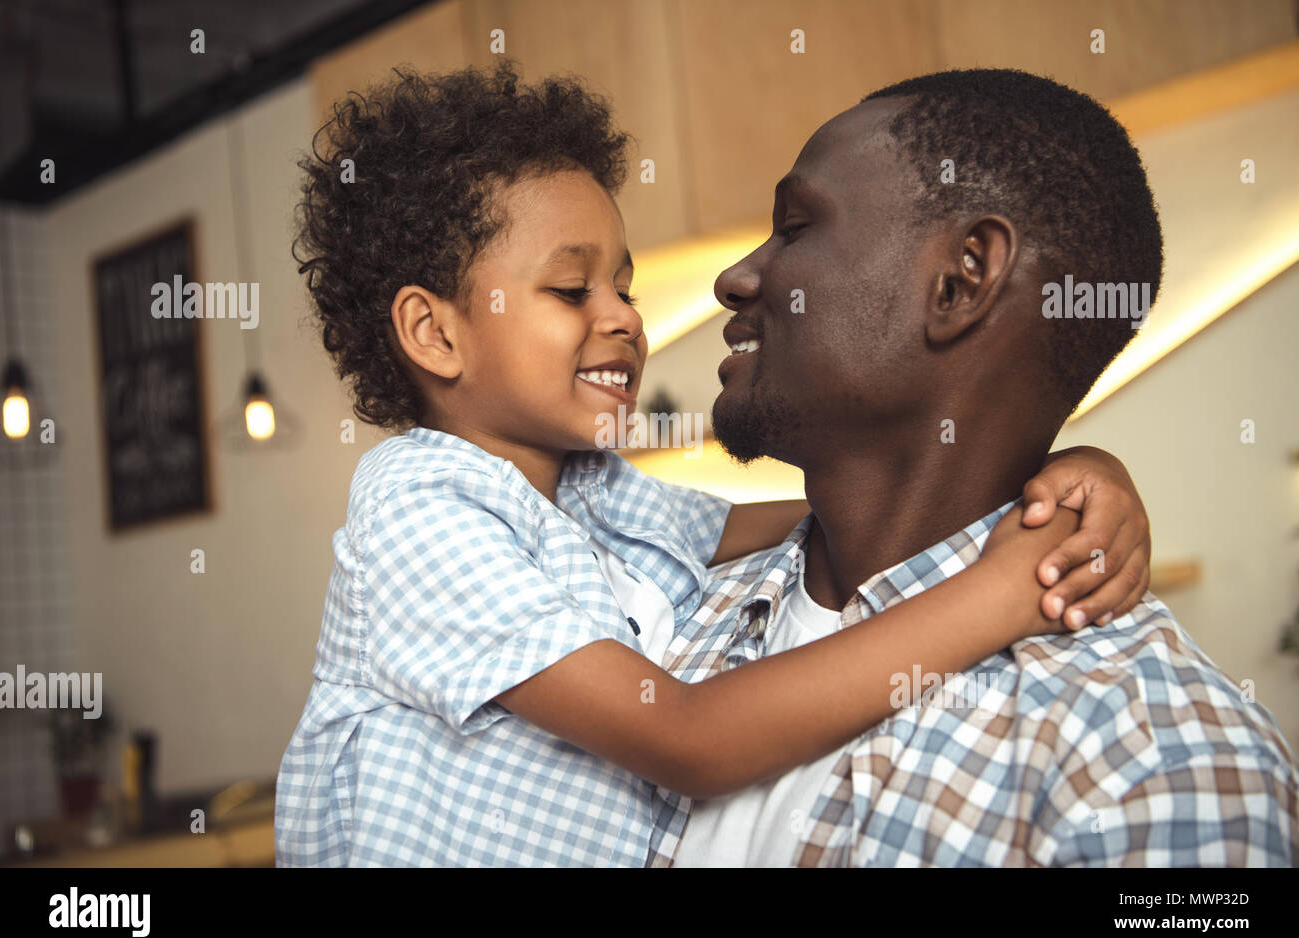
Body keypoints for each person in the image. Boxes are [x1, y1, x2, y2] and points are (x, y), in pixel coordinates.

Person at [275, 63, 1154, 867]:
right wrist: (1003, 590)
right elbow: (691, 739)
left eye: (626, 288)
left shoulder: (596, 496)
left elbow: (795, 518)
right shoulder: (417, 508)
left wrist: (1061, 474)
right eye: (572, 290)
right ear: (434, 333)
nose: (623, 318)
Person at [656, 68, 1299, 867]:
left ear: (962, 279)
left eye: (794, 227)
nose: (736, 277)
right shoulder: (656, 606)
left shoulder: (1157, 770)